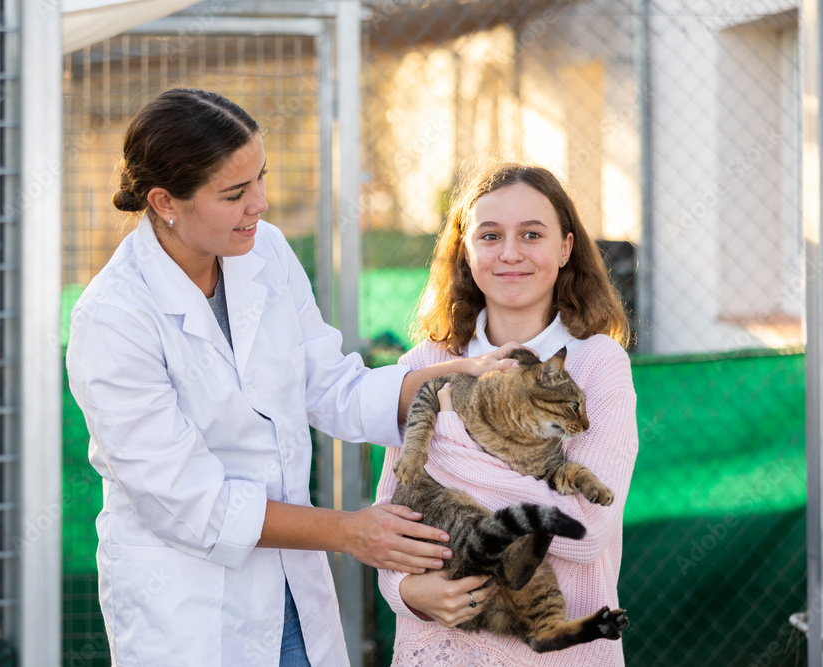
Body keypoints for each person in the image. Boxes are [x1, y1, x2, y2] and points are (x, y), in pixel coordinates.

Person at [64, 88, 519, 667]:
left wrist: (448, 381)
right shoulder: (113, 318)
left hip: (294, 597)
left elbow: (329, 385)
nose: (261, 203)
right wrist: (350, 532)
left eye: (260, 177)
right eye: (235, 193)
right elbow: (189, 501)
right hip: (191, 611)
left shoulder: (265, 253)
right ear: (164, 201)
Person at [374, 163, 638, 666]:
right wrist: (406, 591)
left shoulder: (598, 364)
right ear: (465, 250)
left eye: (531, 234)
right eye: (490, 235)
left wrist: (449, 431)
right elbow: (393, 520)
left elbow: (583, 531)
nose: (511, 252)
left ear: (564, 247)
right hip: (440, 650)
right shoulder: (423, 365)